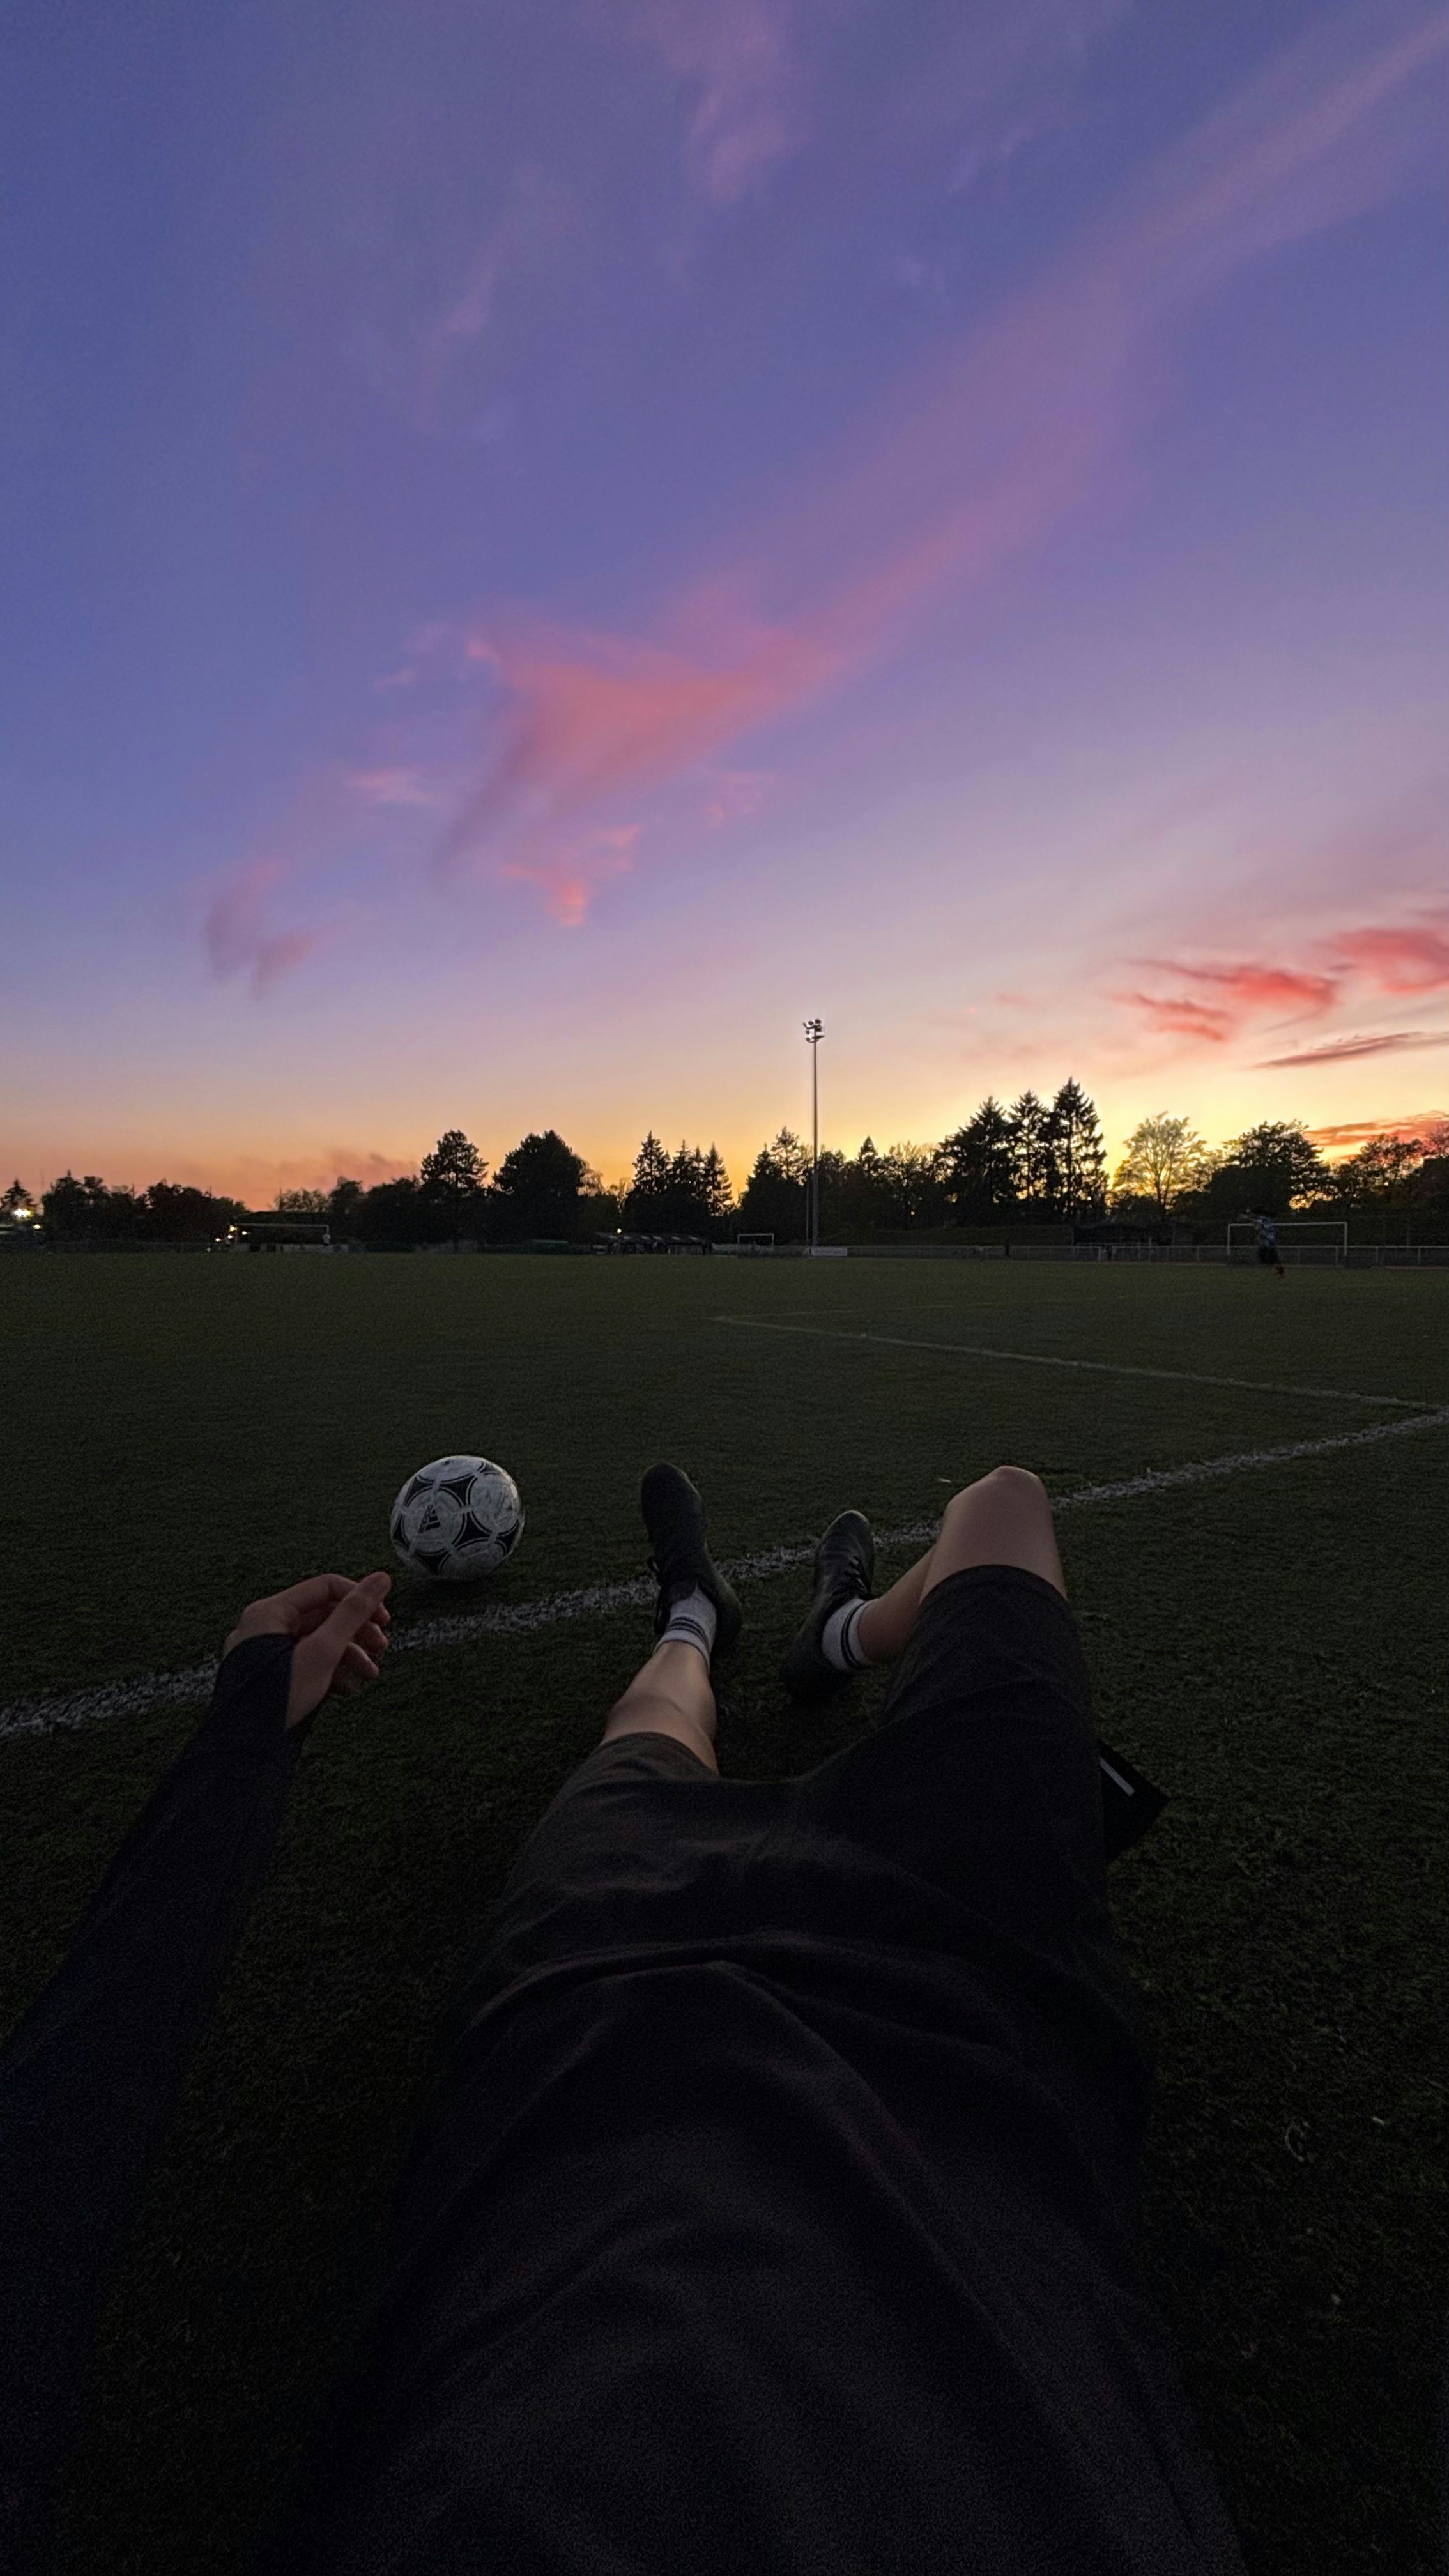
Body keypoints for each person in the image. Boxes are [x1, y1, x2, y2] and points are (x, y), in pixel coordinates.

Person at [0, 1465, 1250, 2575]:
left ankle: (701, 1622)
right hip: (969, 1988)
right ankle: (831, 1633)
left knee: (649, 1736)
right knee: (1003, 1508)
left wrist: (239, 1747)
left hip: (610, 2012)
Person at [1254, 1209, 1285, 1277]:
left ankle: (1277, 1272)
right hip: (1271, 1240)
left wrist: (1258, 1237)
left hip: (1266, 1241)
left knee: (1266, 1258)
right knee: (1274, 1258)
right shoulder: (1268, 1220)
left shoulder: (1260, 1220)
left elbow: (1258, 1228)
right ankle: (1279, 1272)